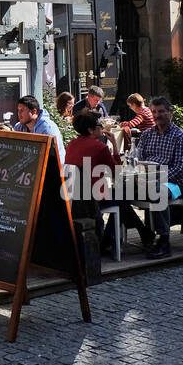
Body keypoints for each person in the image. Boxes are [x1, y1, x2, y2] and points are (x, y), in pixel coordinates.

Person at [65, 109, 153, 255]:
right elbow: (117, 174)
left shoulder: (72, 144)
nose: (102, 128)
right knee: (125, 193)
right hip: (92, 199)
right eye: (99, 125)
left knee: (121, 198)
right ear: (91, 129)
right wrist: (114, 146)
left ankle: (115, 238)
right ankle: (140, 232)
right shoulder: (100, 147)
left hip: (74, 197)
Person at [135, 96, 183, 258]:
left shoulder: (180, 137)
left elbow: (180, 169)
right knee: (119, 190)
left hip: (173, 182)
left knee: (157, 192)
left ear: (170, 113)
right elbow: (138, 160)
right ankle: (120, 235)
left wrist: (156, 180)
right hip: (147, 179)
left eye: (161, 111)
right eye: (154, 112)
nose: (157, 115)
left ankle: (164, 241)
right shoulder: (146, 135)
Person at [13, 94, 66, 164]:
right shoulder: (18, 127)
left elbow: (52, 160)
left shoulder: (48, 128)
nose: (19, 114)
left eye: (22, 111)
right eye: (18, 110)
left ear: (34, 112)